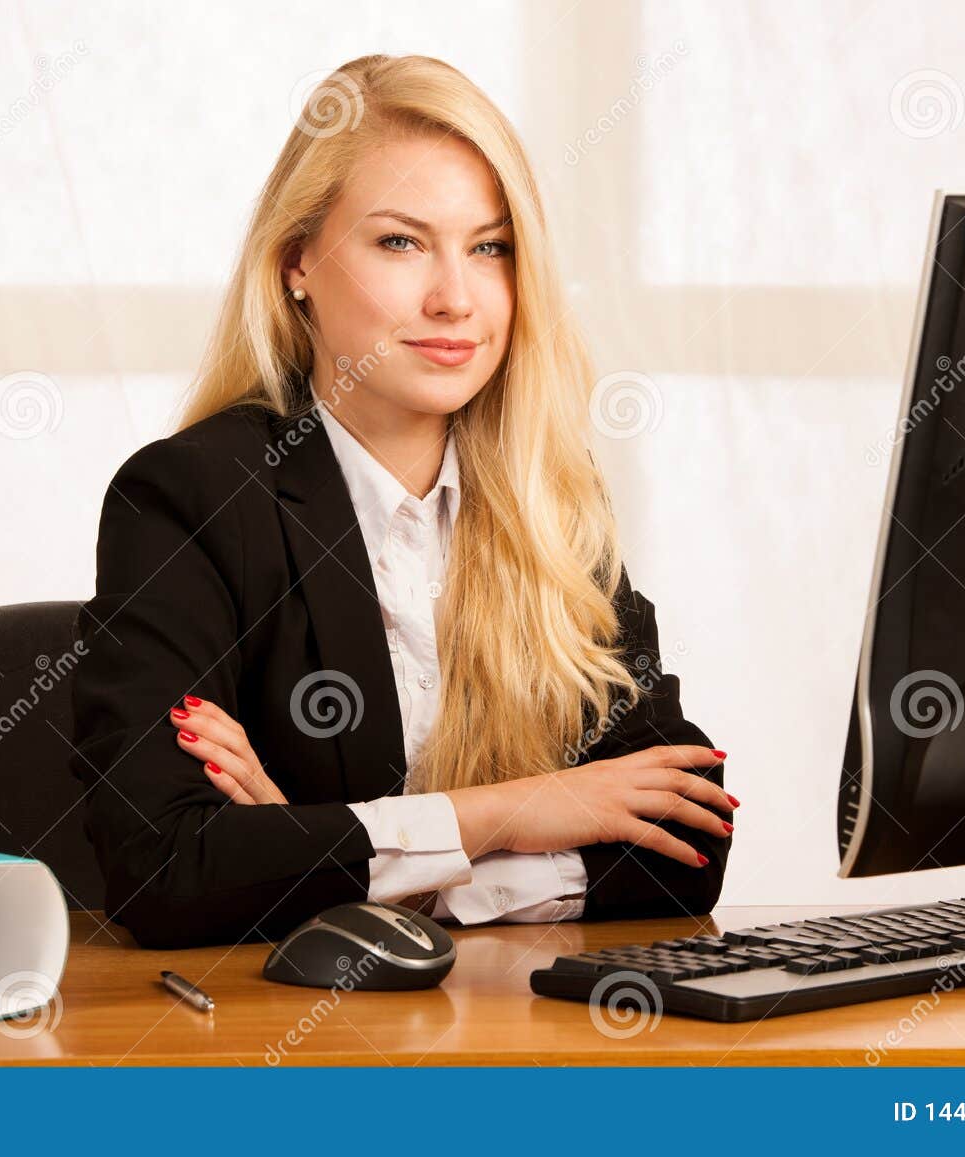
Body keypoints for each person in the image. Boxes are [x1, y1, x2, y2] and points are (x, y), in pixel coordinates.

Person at [69, 53, 734, 948]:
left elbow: (685, 842)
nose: (455, 298)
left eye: (489, 247)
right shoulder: (194, 496)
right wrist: (514, 812)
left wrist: (330, 858)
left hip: (504, 1021)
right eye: (400, 242)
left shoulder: (549, 498)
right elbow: (165, 869)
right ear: (296, 263)